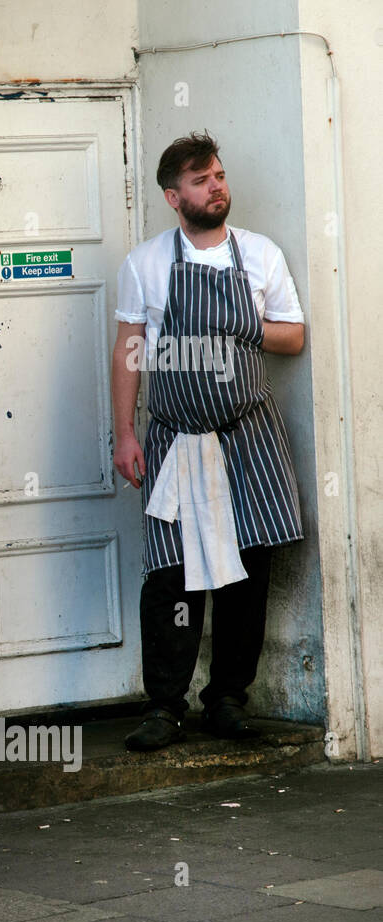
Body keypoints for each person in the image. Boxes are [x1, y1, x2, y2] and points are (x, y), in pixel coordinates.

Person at [111, 132, 305, 752]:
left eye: (219, 175)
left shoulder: (261, 255)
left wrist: (242, 325)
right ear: (174, 196)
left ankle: (227, 700)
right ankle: (164, 708)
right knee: (171, 575)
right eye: (201, 180)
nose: (216, 186)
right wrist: (124, 433)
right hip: (174, 441)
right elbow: (129, 350)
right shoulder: (145, 264)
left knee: (247, 569)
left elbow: (293, 337)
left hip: (249, 437)